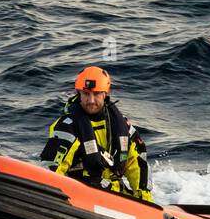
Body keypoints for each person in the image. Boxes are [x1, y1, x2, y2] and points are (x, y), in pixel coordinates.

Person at [40, 66, 152, 202]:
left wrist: (145, 202)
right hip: (81, 194)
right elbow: (53, 171)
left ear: (105, 94)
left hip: (115, 195)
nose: (91, 100)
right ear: (78, 93)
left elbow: (137, 165)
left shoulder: (123, 127)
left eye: (96, 94)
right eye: (86, 94)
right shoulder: (67, 126)